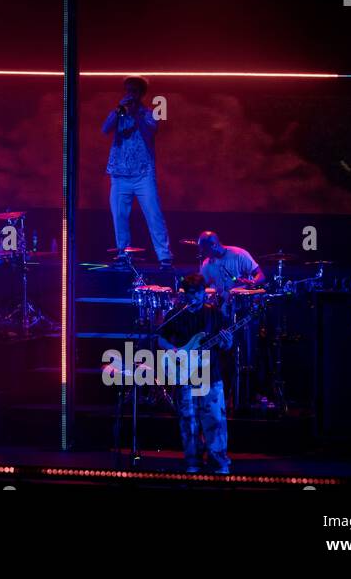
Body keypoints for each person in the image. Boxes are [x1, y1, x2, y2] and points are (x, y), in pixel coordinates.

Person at [158, 273, 233, 474]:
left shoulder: (215, 314)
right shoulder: (175, 313)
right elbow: (160, 339)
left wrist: (227, 342)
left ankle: (218, 462)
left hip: (211, 376)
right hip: (185, 376)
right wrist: (174, 351)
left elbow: (227, 345)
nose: (194, 298)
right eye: (190, 294)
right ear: (184, 294)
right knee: (188, 423)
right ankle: (192, 461)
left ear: (203, 293)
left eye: (198, 293)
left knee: (214, 422)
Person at [101, 76, 172, 270]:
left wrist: (136, 115)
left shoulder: (149, 114)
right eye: (128, 90)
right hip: (119, 175)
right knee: (119, 216)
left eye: (134, 91)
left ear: (141, 94)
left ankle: (164, 257)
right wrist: (119, 110)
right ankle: (124, 255)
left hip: (143, 175)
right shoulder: (119, 113)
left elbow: (150, 133)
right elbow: (105, 129)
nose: (130, 94)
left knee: (154, 215)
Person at [197, 231, 265, 294]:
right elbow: (203, 285)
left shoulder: (239, 254)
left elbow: (260, 275)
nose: (202, 253)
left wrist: (253, 282)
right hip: (220, 304)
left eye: (204, 249)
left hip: (240, 302)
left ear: (214, 245)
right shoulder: (206, 263)